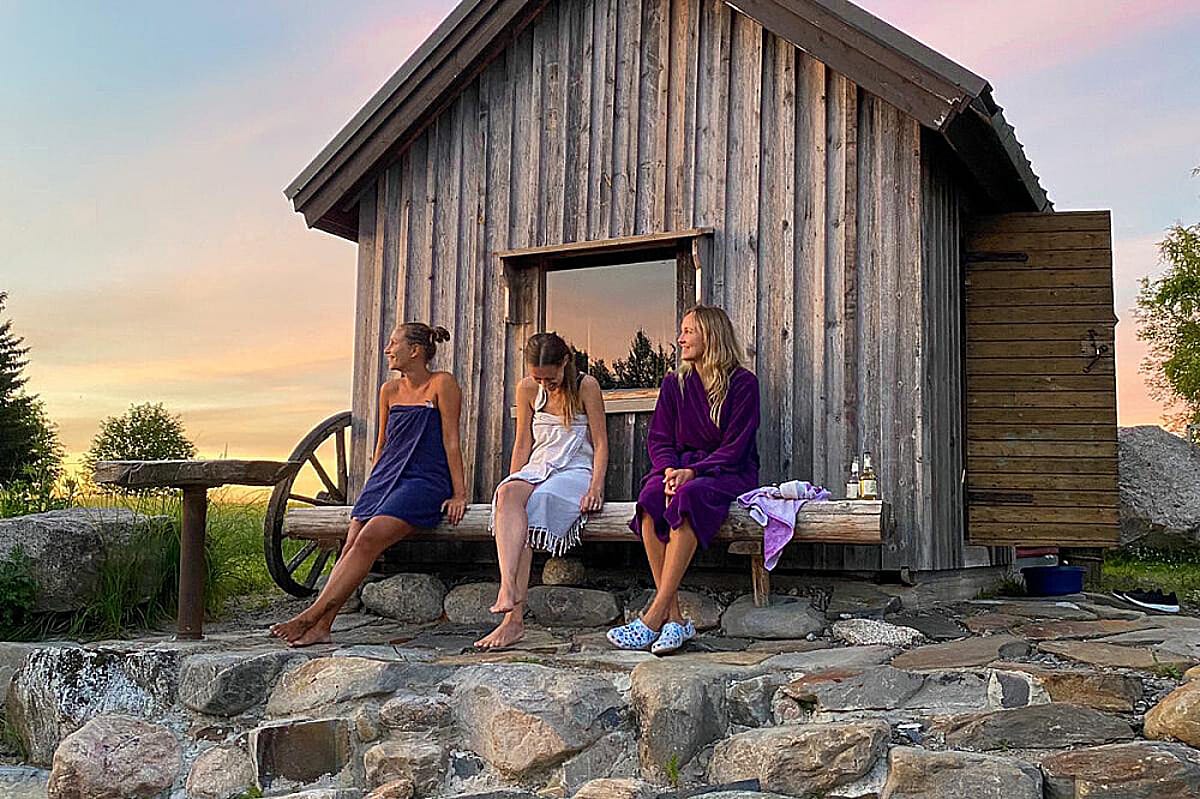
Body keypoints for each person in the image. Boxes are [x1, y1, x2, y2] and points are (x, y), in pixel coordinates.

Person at [270, 322, 468, 647]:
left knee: (368, 539)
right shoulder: (388, 391)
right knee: (350, 544)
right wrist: (372, 488)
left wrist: (459, 493)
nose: (388, 350)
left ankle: (309, 616)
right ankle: (323, 627)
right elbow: (382, 443)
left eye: (394, 344)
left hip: (424, 481)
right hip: (386, 477)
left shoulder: (441, 384)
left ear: (414, 351)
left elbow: (451, 440)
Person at [607, 305, 760, 655]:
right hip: (678, 469)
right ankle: (675, 621)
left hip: (727, 471)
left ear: (712, 335)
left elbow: (736, 447)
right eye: (682, 330)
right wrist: (668, 471)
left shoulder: (743, 384)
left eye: (689, 331)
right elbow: (659, 438)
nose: (680, 338)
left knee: (689, 497)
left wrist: (693, 472)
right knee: (649, 499)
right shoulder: (675, 384)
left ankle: (652, 617)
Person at [475, 332, 608, 649]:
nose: (545, 384)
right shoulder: (526, 388)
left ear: (564, 363)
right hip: (540, 465)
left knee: (538, 502)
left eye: (550, 378)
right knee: (507, 496)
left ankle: (513, 621)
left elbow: (601, 443)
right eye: (538, 378)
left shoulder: (586, 386)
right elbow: (523, 441)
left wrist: (596, 487)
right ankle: (508, 587)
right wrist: (513, 481)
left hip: (575, 469)